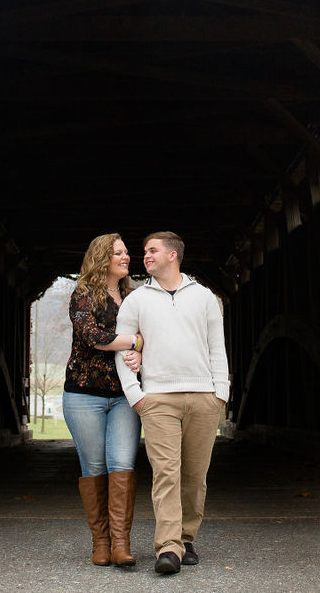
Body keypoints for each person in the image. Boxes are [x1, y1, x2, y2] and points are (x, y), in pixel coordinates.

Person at [113, 231, 229, 576]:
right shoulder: (137, 300)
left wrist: (220, 393)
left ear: (173, 255)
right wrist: (136, 395)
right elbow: (123, 348)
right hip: (158, 398)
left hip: (203, 397)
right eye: (145, 251)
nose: (145, 256)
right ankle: (168, 547)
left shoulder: (204, 297)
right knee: (166, 472)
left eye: (152, 250)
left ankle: (186, 538)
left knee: (194, 475)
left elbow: (217, 347)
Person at [63, 232, 144, 567]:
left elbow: (154, 335)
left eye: (126, 252)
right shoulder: (83, 294)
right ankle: (100, 542)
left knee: (123, 463)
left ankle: (121, 544)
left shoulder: (136, 296)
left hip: (125, 395)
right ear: (101, 258)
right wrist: (135, 342)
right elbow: (92, 337)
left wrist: (141, 349)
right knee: (94, 467)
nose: (126, 257)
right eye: (118, 253)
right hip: (83, 395)